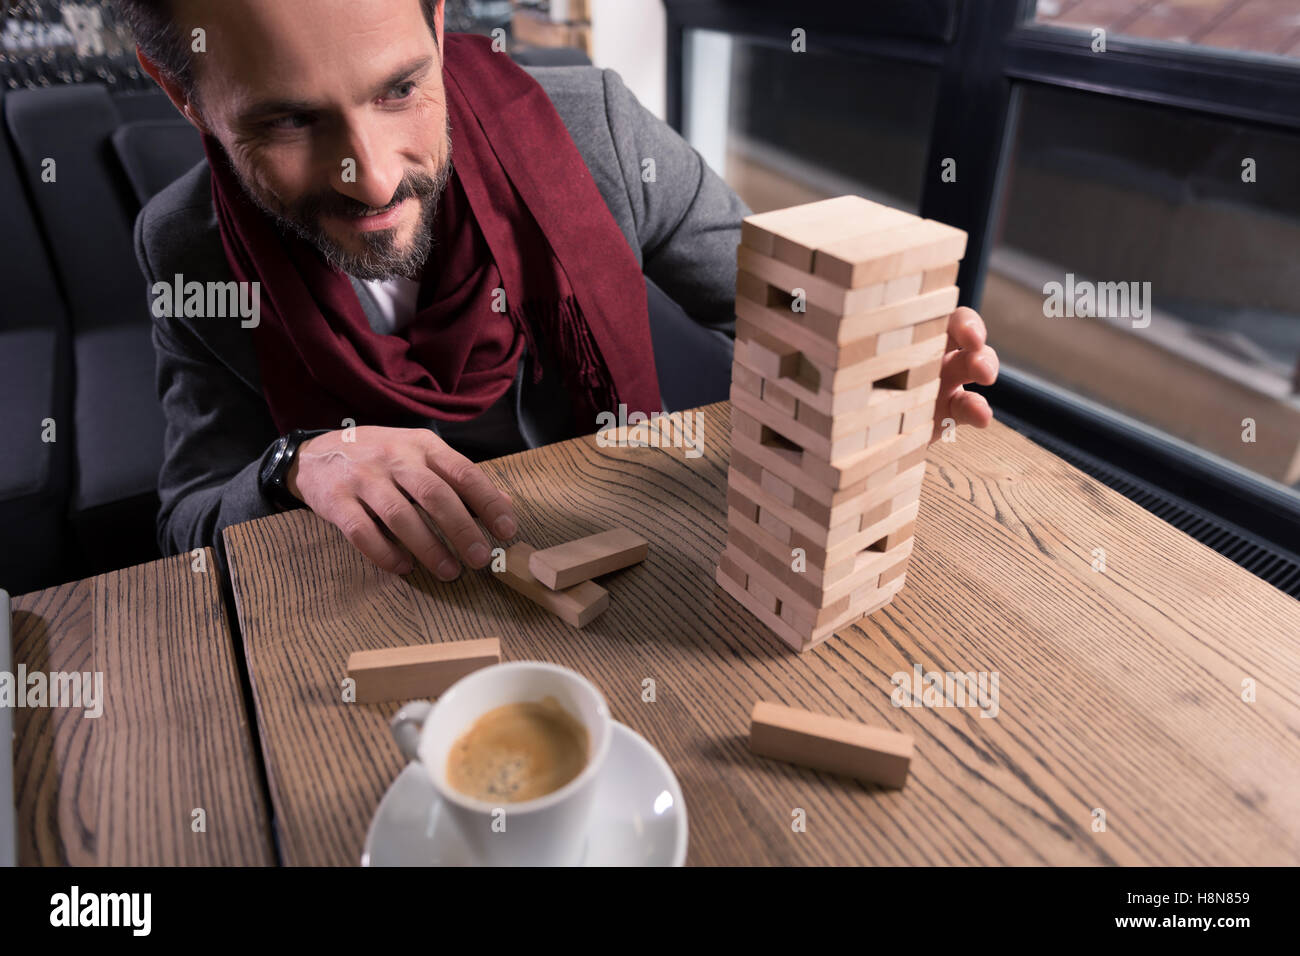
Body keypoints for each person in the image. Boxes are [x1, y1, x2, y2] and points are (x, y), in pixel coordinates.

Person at [122, 0, 999, 580]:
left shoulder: (600, 131)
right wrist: (293, 462)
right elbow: (187, 519)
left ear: (434, 18)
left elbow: (776, 317)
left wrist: (856, 389)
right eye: (287, 120)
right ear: (182, 94)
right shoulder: (186, 244)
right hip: (380, 608)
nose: (376, 180)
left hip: (640, 566)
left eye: (401, 89)